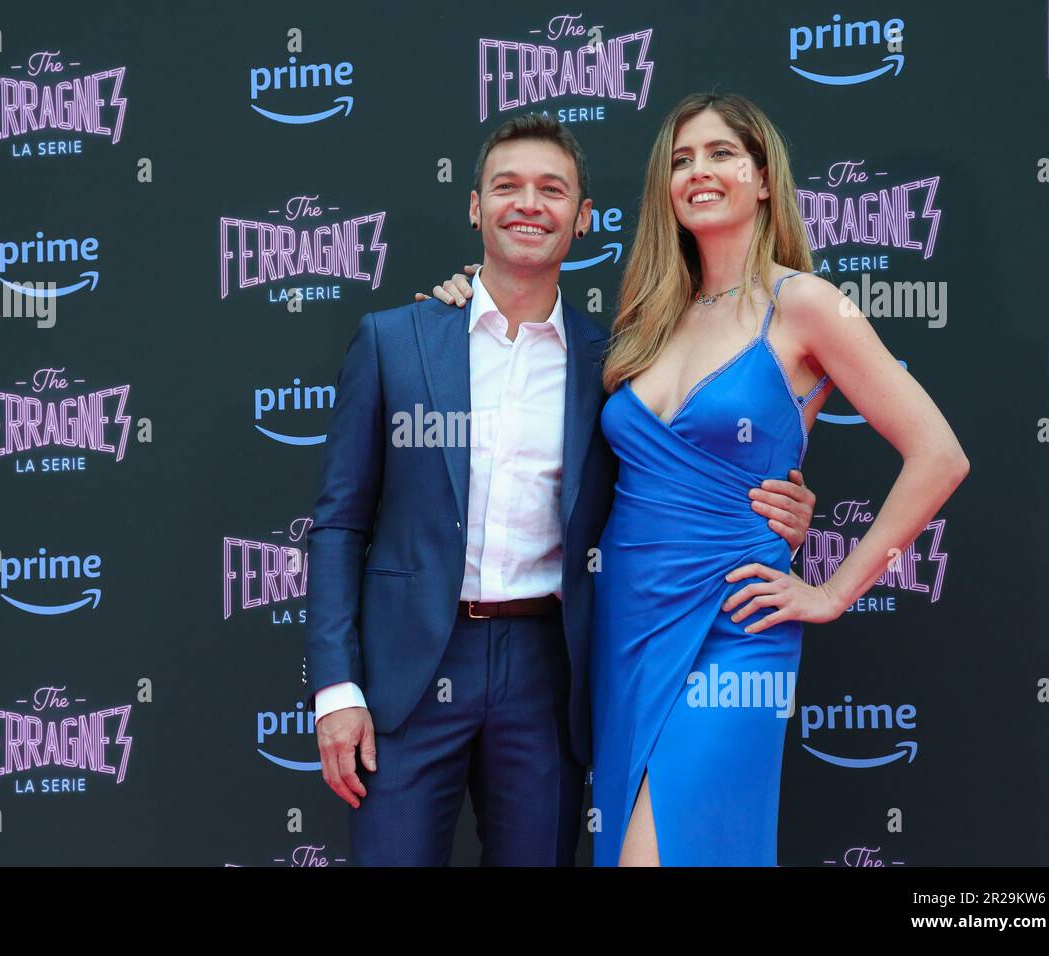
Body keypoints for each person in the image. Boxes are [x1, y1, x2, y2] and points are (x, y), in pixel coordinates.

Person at [427, 93, 969, 867]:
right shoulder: (648, 315)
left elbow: (939, 453)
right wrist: (459, 301)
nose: (698, 172)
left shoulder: (806, 305)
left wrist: (832, 589)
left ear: (763, 180)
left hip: (734, 628)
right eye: (681, 160)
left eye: (720, 154)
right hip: (626, 627)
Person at [306, 113, 817, 866]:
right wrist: (336, 690)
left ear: (581, 219)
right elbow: (338, 524)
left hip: (550, 675)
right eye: (506, 186)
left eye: (552, 190)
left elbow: (674, 477)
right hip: (408, 672)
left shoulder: (614, 364)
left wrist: (777, 504)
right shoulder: (397, 341)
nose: (528, 204)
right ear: (475, 207)